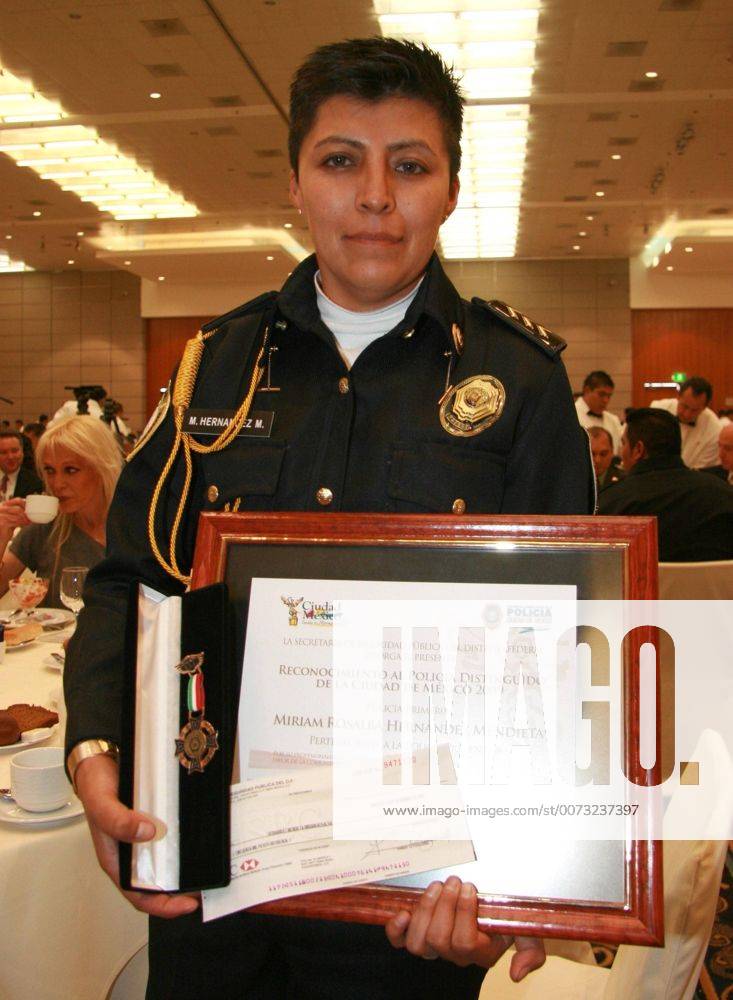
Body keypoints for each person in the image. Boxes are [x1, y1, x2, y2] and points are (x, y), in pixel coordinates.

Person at [64, 37, 593, 1000]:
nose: (376, 196)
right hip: (213, 870)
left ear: (450, 188)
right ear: (296, 184)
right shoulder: (212, 366)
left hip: (413, 895)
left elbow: (569, 640)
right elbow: (129, 583)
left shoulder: (517, 382)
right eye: (341, 160)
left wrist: (525, 877)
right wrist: (95, 746)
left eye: (410, 166)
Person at [0, 415, 123, 607]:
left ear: (101, 467)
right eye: (50, 470)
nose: (57, 484)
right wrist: (1, 536)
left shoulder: (136, 528)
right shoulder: (45, 527)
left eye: (70, 470)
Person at [598, 408, 733, 561]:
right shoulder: (724, 495)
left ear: (638, 450)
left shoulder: (613, 504)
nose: (621, 452)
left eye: (623, 443)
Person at [650, 377, 721, 470]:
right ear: (678, 397)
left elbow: (700, 471)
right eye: (685, 406)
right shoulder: (658, 410)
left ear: (704, 407)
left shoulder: (714, 430)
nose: (687, 414)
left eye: (694, 410)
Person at [574, 371, 623, 453]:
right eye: (601, 394)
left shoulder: (613, 420)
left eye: (609, 396)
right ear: (587, 390)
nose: (606, 400)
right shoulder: (571, 416)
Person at [0, 430, 42, 501]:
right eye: (4, 452)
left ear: (22, 452)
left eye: (15, 451)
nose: (10, 457)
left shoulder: (35, 482)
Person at [588, 426, 624, 492]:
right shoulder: (574, 478)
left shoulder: (623, 479)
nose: (597, 460)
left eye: (603, 454)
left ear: (612, 452)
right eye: (592, 454)